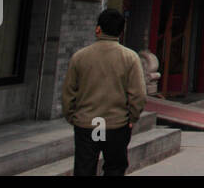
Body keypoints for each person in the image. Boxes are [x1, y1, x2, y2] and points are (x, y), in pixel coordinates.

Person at [60, 9, 146, 176]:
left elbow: (68, 92)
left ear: (98, 29)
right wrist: (133, 117)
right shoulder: (130, 58)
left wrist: (72, 116)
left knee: (84, 168)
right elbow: (138, 95)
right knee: (114, 168)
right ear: (122, 32)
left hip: (86, 124)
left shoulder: (80, 57)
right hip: (116, 124)